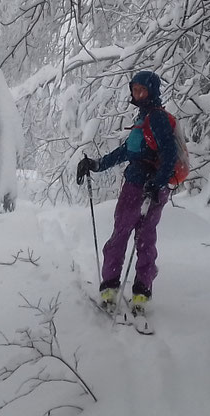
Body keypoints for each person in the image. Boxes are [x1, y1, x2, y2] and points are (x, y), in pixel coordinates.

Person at [75, 70, 179, 323]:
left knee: (129, 236)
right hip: (145, 186)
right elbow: (127, 151)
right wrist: (97, 164)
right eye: (135, 89)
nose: (137, 94)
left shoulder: (156, 119)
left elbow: (170, 154)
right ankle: (136, 292)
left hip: (142, 187)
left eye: (142, 90)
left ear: (152, 91)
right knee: (141, 238)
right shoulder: (144, 118)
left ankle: (118, 289)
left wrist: (155, 184)